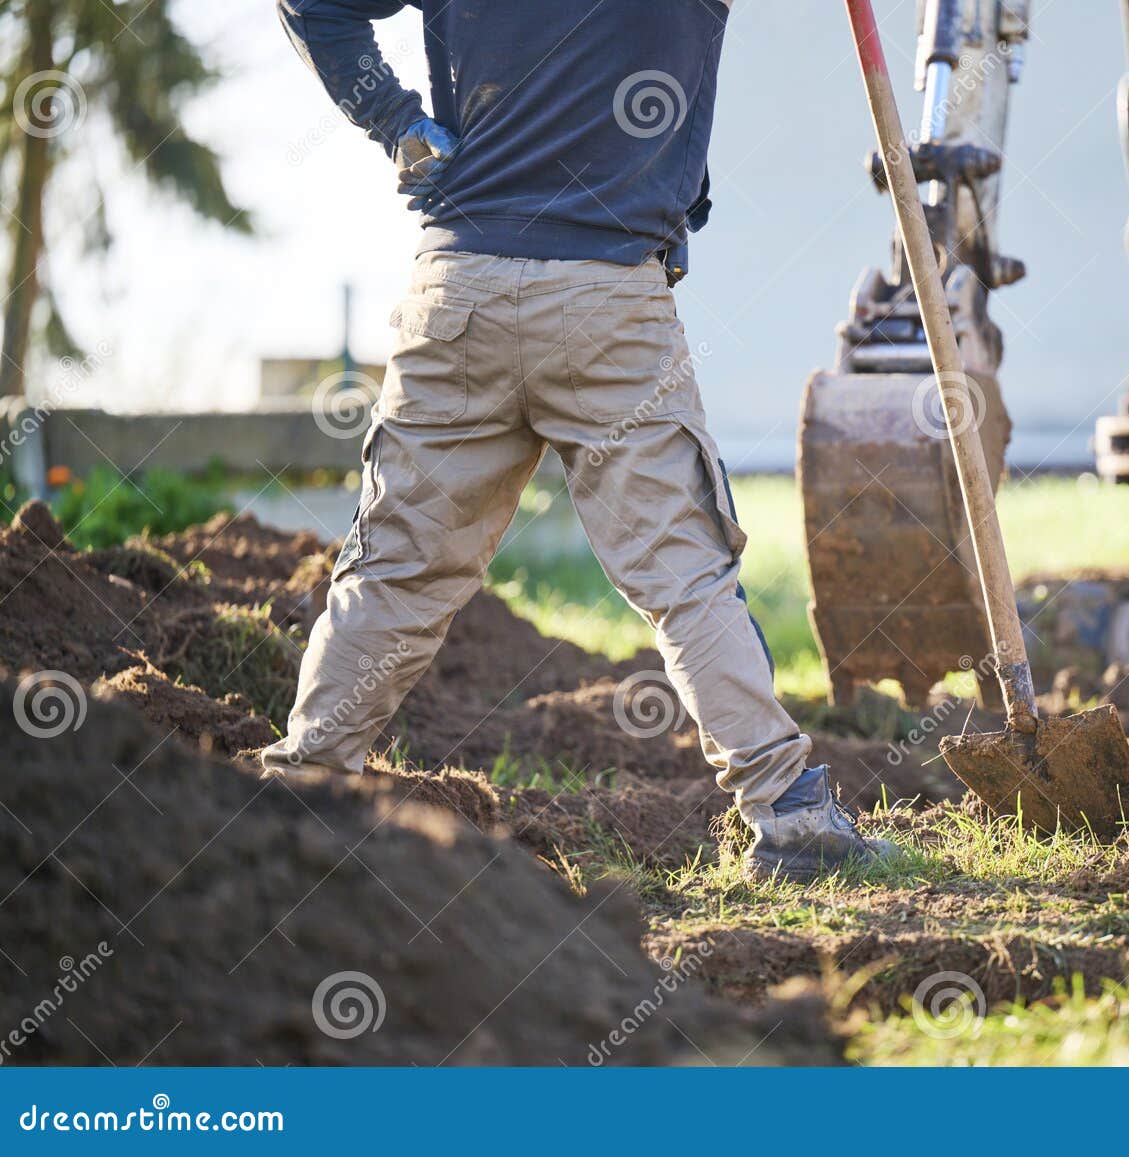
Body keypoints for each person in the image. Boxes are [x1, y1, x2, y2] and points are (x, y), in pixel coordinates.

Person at [265, 0, 895, 883]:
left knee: (397, 568)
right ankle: (790, 815)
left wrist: (396, 122)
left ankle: (299, 797)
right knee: (686, 574)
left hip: (461, 290)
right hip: (607, 298)